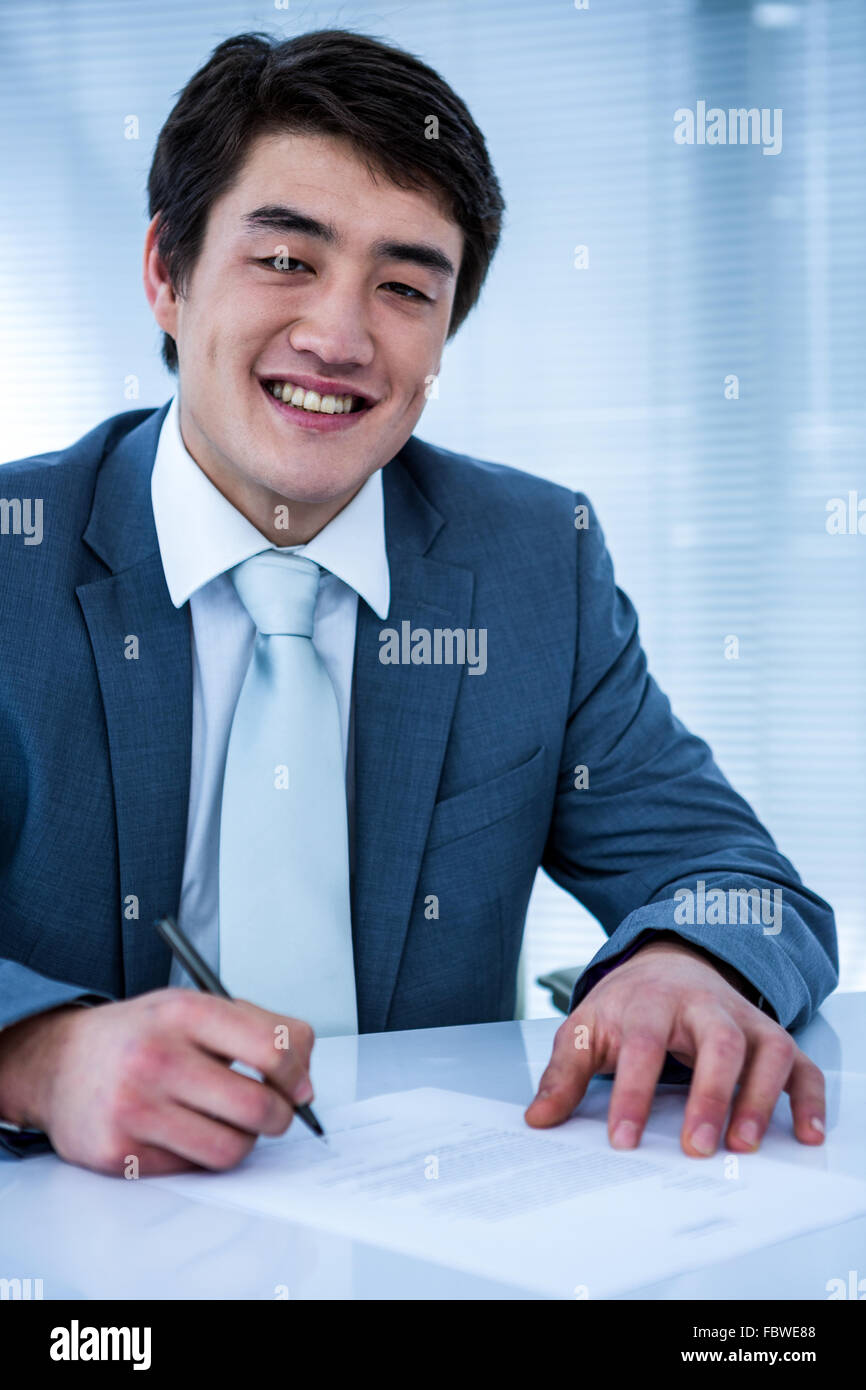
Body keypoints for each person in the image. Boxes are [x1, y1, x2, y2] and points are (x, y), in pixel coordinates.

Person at [0, 29, 833, 1176]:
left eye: (403, 287)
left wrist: (687, 961)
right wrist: (37, 1057)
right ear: (167, 273)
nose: (339, 338)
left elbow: (734, 881)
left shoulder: (535, 560)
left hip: (428, 1234)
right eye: (286, 261)